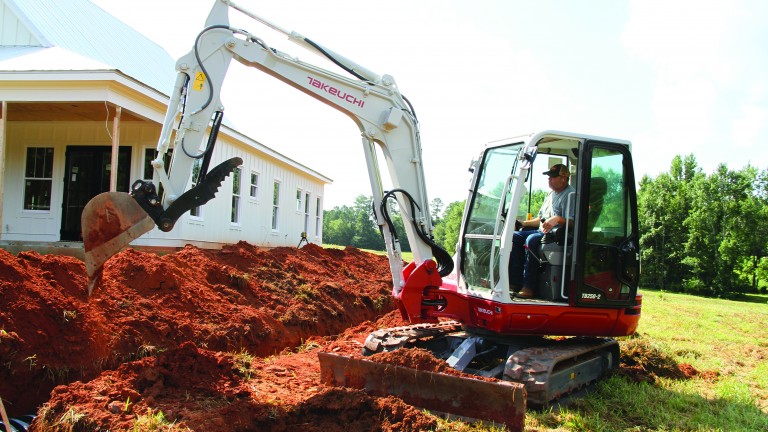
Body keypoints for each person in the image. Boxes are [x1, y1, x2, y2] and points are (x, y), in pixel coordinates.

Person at [510, 163, 575, 299]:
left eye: (553, 177)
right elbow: (541, 219)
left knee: (531, 240)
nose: (549, 179)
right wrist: (522, 223)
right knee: (514, 236)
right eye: (549, 177)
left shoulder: (570, 195)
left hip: (557, 236)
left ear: (564, 178)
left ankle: (529, 287)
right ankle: (515, 282)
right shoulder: (550, 194)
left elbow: (574, 222)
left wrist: (557, 219)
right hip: (542, 231)